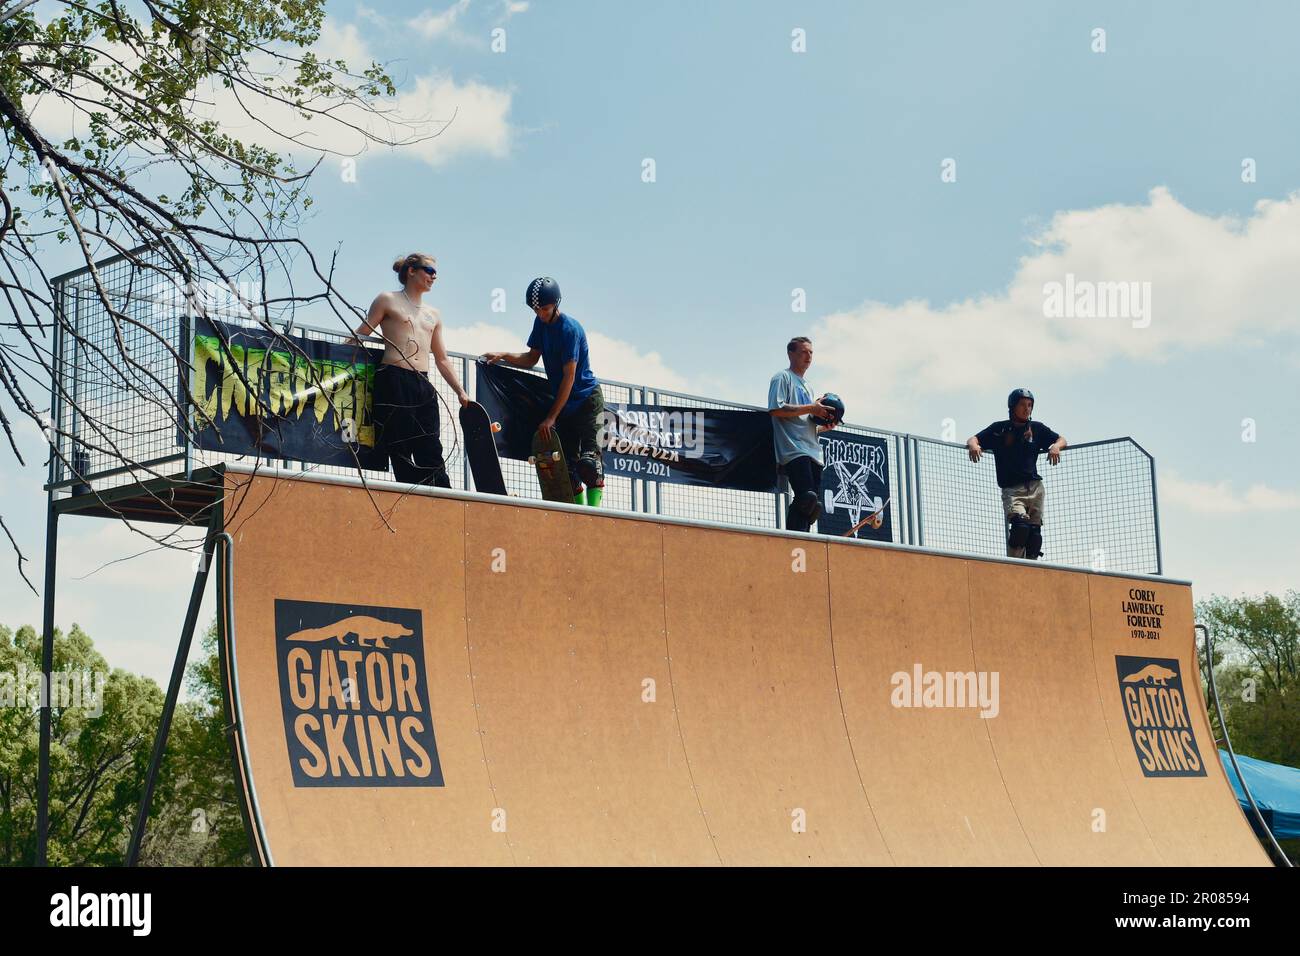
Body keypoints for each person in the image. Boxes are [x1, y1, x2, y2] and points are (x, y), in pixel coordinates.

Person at [481, 277, 606, 506]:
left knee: (590, 464)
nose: (540, 315)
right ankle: (577, 514)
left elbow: (569, 377)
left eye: (545, 309)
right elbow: (531, 358)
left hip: (587, 398)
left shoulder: (570, 330)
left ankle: (594, 514)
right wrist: (504, 355)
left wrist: (551, 417)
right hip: (566, 403)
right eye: (536, 310)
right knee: (566, 469)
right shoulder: (540, 325)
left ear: (556, 304)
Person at [353, 252, 469, 488]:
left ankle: (443, 499)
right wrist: (329, 357)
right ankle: (410, 501)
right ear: (411, 271)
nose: (434, 276)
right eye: (429, 270)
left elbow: (442, 359)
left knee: (431, 445)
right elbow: (360, 334)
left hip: (422, 382)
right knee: (400, 446)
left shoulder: (433, 314)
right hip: (393, 378)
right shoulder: (387, 299)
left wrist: (460, 391)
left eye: (436, 272)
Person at [967, 388, 1068, 559]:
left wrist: (1056, 446)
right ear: (1012, 406)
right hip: (1013, 490)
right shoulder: (1000, 429)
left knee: (1034, 536)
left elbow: (1062, 439)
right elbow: (974, 438)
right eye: (1022, 405)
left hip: (1036, 488)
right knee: (1020, 528)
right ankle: (1014, 567)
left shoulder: (1037, 428)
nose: (1026, 408)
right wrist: (974, 446)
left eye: (1029, 405)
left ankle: (1031, 570)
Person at [768, 336, 838, 533]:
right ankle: (792, 543)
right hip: (793, 448)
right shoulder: (782, 377)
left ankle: (801, 543)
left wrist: (825, 427)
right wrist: (811, 407)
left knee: (811, 506)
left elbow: (806, 422)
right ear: (791, 354)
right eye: (803, 352)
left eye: (811, 352)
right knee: (806, 498)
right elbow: (776, 409)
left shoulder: (808, 385)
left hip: (813, 451)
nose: (808, 356)